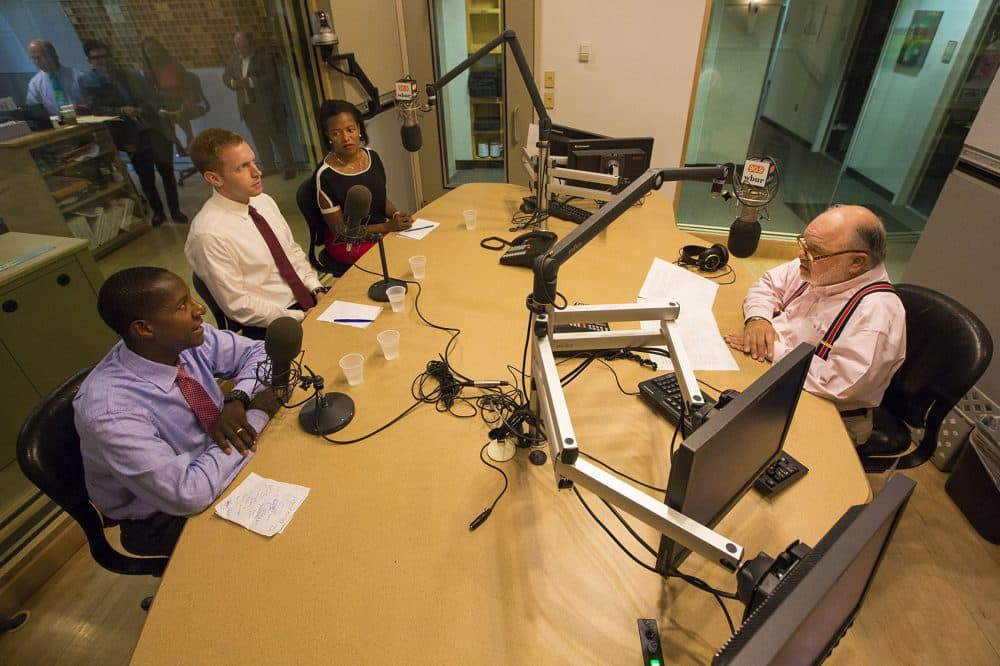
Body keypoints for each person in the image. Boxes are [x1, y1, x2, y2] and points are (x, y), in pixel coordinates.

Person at [74, 267, 281, 557]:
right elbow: (188, 494)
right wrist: (256, 414)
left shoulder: (181, 338)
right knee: (280, 543)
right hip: (163, 516)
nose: (199, 309)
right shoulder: (110, 411)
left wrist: (238, 398)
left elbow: (260, 352)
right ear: (145, 329)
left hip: (217, 459)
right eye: (183, 304)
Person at [723, 205, 906, 445]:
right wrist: (759, 319)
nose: (801, 254)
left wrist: (771, 349)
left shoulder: (876, 314)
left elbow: (841, 385)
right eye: (804, 243)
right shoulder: (823, 265)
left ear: (856, 262)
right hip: (776, 375)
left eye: (814, 251)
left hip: (830, 414)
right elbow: (768, 285)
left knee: (734, 443)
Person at [185, 128, 326, 340]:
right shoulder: (208, 235)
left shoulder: (263, 201)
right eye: (243, 167)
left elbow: (292, 252)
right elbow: (239, 305)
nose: (257, 172)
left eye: (254, 161)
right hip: (270, 323)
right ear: (214, 178)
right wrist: (300, 316)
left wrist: (317, 290)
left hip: (308, 300)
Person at [79, 39, 187, 226]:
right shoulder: (89, 82)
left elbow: (152, 98)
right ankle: (158, 212)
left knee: (166, 171)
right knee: (145, 176)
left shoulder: (130, 74)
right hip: (129, 133)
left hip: (153, 128)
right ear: (90, 61)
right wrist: (121, 110)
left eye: (105, 56)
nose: (103, 61)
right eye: (97, 58)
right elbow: (95, 108)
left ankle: (175, 210)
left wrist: (142, 109)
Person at [315, 99, 413, 266]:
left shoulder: (372, 157)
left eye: (350, 129)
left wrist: (396, 215)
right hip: (348, 242)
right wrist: (387, 227)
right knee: (396, 258)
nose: (346, 138)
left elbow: (380, 198)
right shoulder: (325, 176)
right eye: (336, 133)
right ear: (328, 136)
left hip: (381, 230)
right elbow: (341, 233)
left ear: (359, 129)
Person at [223, 31, 296, 180]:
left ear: (251, 44)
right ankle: (269, 167)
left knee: (279, 138)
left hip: (269, 106)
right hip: (248, 107)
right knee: (259, 138)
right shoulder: (234, 59)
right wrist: (233, 83)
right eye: (238, 47)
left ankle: (289, 167)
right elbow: (226, 76)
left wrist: (250, 82)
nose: (241, 51)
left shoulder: (264, 57)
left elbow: (272, 78)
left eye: (243, 47)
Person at [140, 36, 202, 156]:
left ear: (160, 49)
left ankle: (190, 138)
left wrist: (187, 99)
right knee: (162, 117)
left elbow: (185, 83)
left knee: (175, 114)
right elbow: (149, 90)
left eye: (154, 50)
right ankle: (178, 144)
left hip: (180, 96)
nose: (153, 54)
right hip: (163, 101)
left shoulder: (172, 62)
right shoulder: (148, 68)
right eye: (149, 52)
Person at [25, 39, 85, 115]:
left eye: (40, 57)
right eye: (33, 58)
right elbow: (33, 110)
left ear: (53, 55)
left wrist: (83, 109)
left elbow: (96, 105)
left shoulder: (78, 77)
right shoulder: (35, 84)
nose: (37, 62)